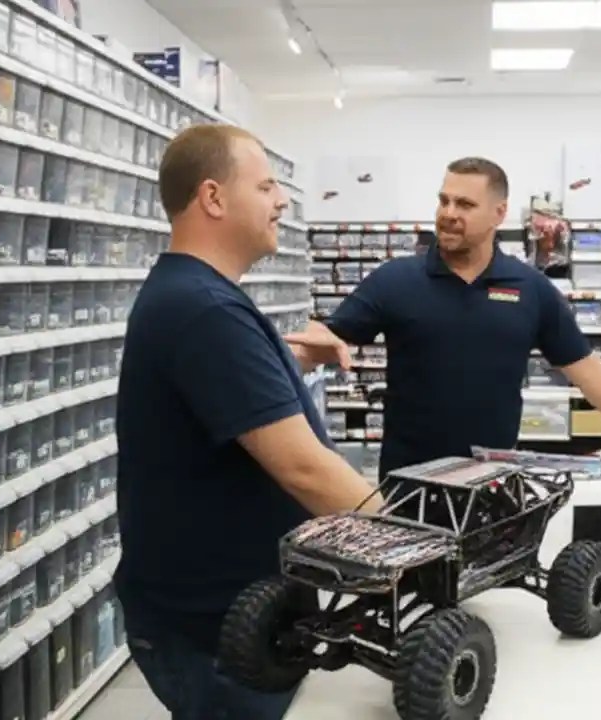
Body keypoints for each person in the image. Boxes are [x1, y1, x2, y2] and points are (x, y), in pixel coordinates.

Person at [114, 124, 380, 720]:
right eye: (265, 186)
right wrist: (418, 540)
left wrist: (286, 362)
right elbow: (304, 468)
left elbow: (227, 400)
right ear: (213, 198)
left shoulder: (195, 295)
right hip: (217, 628)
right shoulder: (204, 308)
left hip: (232, 614)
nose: (281, 201)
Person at [287, 156, 601, 476]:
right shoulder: (395, 281)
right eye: (444, 200)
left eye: (465, 203)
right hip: (407, 480)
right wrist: (299, 350)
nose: (449, 212)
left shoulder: (530, 287)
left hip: (492, 477)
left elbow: (585, 367)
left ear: (499, 213)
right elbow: (324, 336)